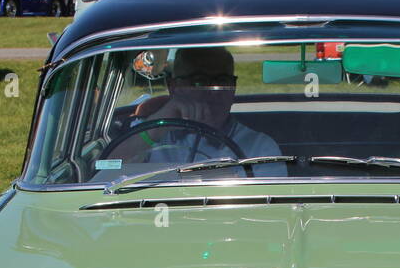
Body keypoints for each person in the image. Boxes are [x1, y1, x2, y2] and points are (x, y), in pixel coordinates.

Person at [122, 46, 284, 175]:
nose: (212, 92)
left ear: (233, 89)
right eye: (199, 81)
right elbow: (106, 169)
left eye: (222, 82)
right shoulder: (149, 134)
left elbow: (268, 212)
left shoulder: (260, 147)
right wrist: (157, 126)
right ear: (174, 87)